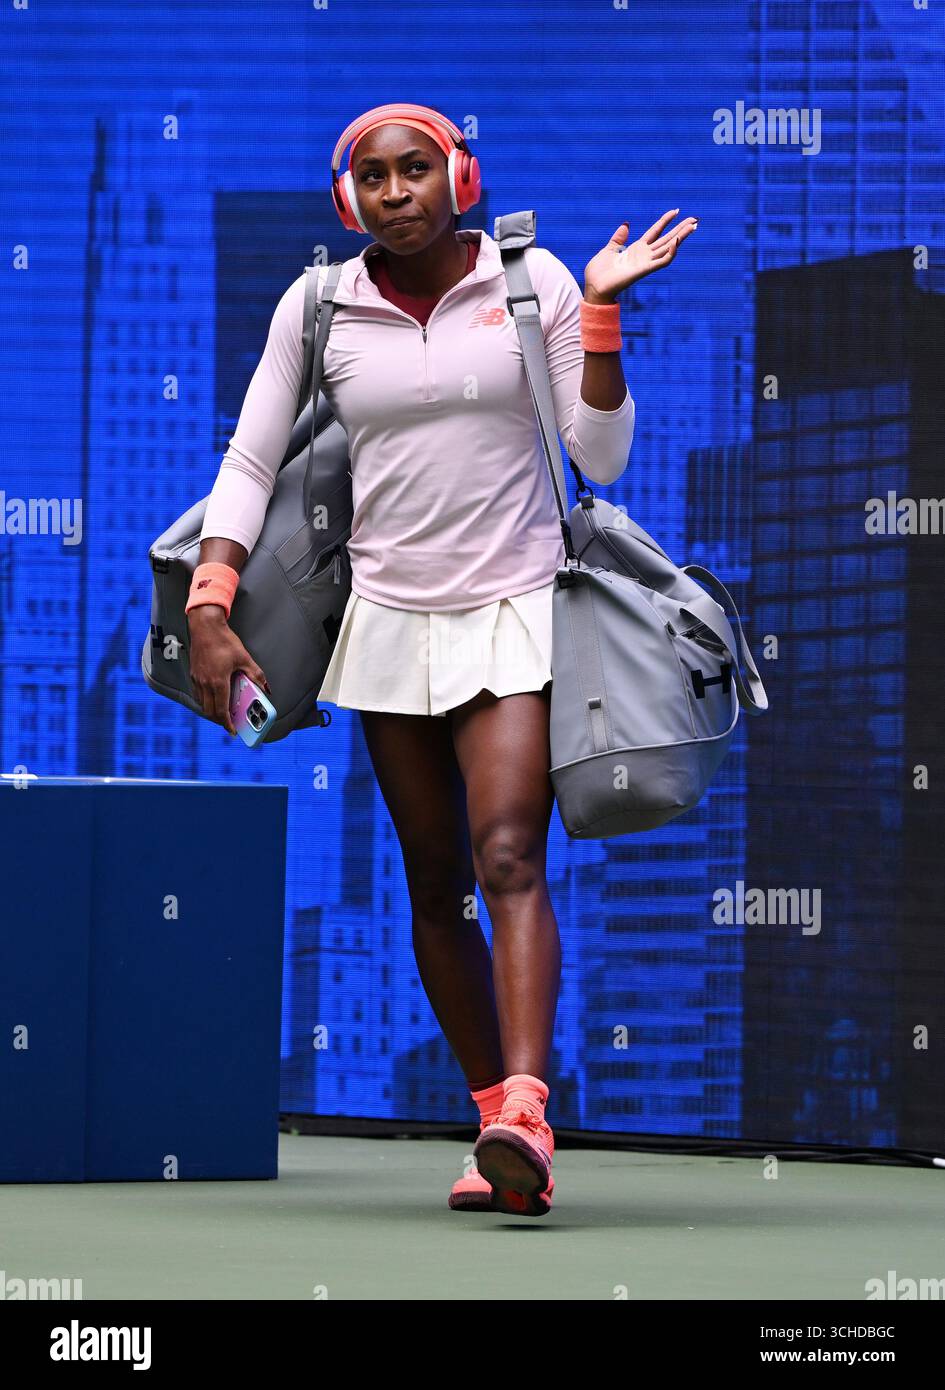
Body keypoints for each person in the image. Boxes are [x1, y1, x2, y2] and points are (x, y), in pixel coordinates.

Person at [184, 103, 697, 1217]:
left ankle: (526, 1111)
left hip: (513, 607)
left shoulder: (535, 281)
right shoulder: (318, 305)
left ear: (458, 174)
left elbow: (600, 448)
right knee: (435, 880)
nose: (396, 192)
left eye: (417, 169)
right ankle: (492, 1125)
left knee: (509, 848)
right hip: (384, 620)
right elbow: (249, 453)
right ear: (347, 198)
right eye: (373, 177)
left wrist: (600, 314)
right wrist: (213, 595)